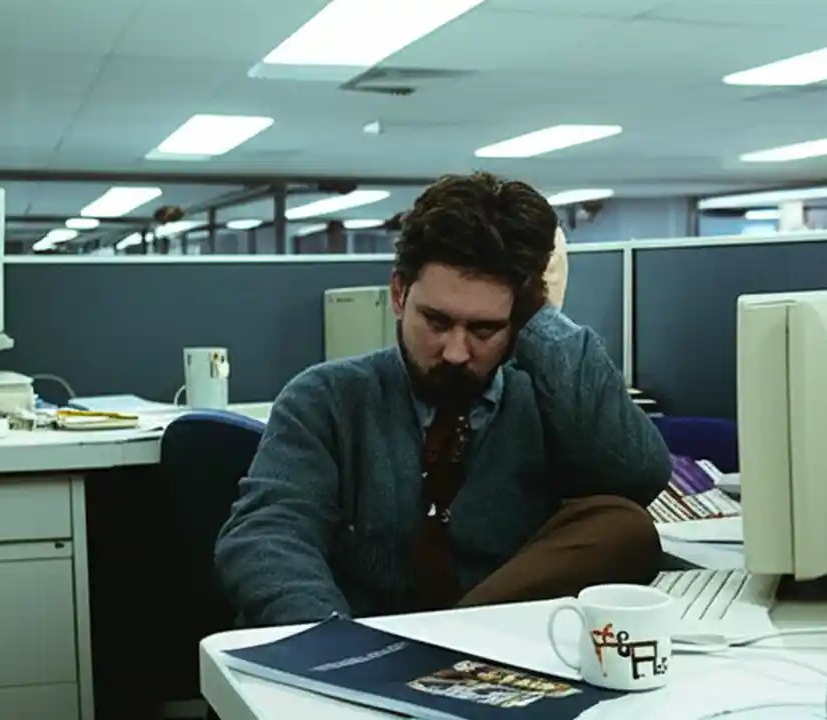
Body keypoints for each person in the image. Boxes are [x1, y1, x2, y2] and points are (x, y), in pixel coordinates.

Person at [215, 172, 670, 626]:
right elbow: (268, 535)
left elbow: (639, 479)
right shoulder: (327, 398)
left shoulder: (546, 397)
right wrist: (333, 644)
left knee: (620, 525)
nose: (455, 352)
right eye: (436, 321)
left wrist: (543, 324)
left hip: (495, 650)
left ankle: (443, 639)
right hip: (353, 641)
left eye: (484, 329)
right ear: (398, 294)